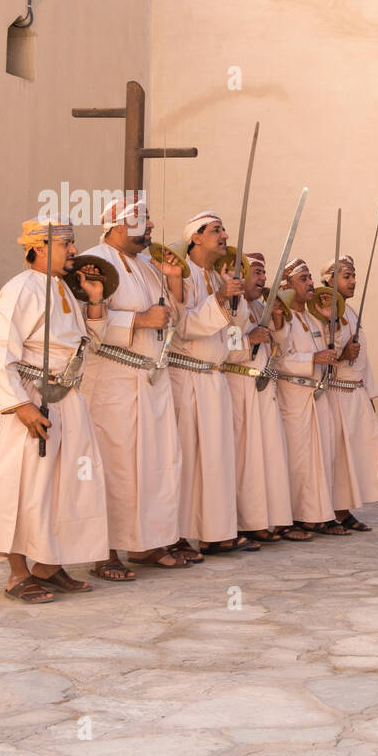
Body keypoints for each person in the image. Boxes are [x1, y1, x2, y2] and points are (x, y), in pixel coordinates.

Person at [0, 218, 109, 603]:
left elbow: (87, 346)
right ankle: (18, 574)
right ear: (38, 247)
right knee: (22, 484)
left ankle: (48, 565)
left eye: (72, 242)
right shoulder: (19, 289)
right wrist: (19, 405)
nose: (72, 250)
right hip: (34, 399)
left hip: (68, 398)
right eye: (65, 243)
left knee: (66, 484)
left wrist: (95, 300)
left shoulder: (65, 288)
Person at [78, 199, 193, 578]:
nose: (151, 225)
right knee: (115, 466)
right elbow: (85, 322)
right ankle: (105, 551)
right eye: (142, 221)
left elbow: (174, 320)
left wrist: (174, 281)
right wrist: (139, 320)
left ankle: (147, 543)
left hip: (151, 382)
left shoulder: (148, 266)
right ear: (115, 224)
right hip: (112, 381)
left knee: (157, 464)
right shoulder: (94, 262)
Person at [167, 211, 248, 555]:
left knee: (216, 458)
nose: (225, 235)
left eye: (224, 229)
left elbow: (233, 332)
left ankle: (215, 531)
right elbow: (182, 326)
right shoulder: (180, 276)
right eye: (216, 230)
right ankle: (178, 534)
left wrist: (231, 298)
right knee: (186, 458)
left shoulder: (219, 277)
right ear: (195, 237)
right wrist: (219, 299)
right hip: (186, 375)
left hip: (215, 376)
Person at [224, 252, 310, 544]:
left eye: (263, 273)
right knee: (244, 457)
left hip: (262, 389)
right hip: (238, 384)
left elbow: (279, 345)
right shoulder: (231, 306)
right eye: (256, 272)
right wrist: (249, 340)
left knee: (266, 456)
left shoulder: (261, 305)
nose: (261, 279)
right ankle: (241, 522)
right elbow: (220, 345)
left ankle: (262, 519)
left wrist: (276, 323)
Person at [319, 255, 378, 531]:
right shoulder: (323, 309)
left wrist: (370, 395)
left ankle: (344, 507)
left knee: (355, 455)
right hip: (335, 392)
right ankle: (330, 509)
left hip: (355, 393)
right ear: (330, 279)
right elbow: (324, 350)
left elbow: (364, 361)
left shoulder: (351, 312)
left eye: (353, 276)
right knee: (335, 455)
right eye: (346, 276)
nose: (353, 281)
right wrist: (341, 353)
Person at [276, 258, 347, 536]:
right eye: (303, 279)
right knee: (298, 459)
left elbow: (331, 348)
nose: (310, 284)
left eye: (309, 278)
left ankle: (317, 514)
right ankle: (293, 518)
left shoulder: (311, 318)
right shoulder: (283, 318)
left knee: (320, 458)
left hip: (317, 397)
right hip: (293, 396)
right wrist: (312, 359)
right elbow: (279, 359)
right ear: (288, 286)